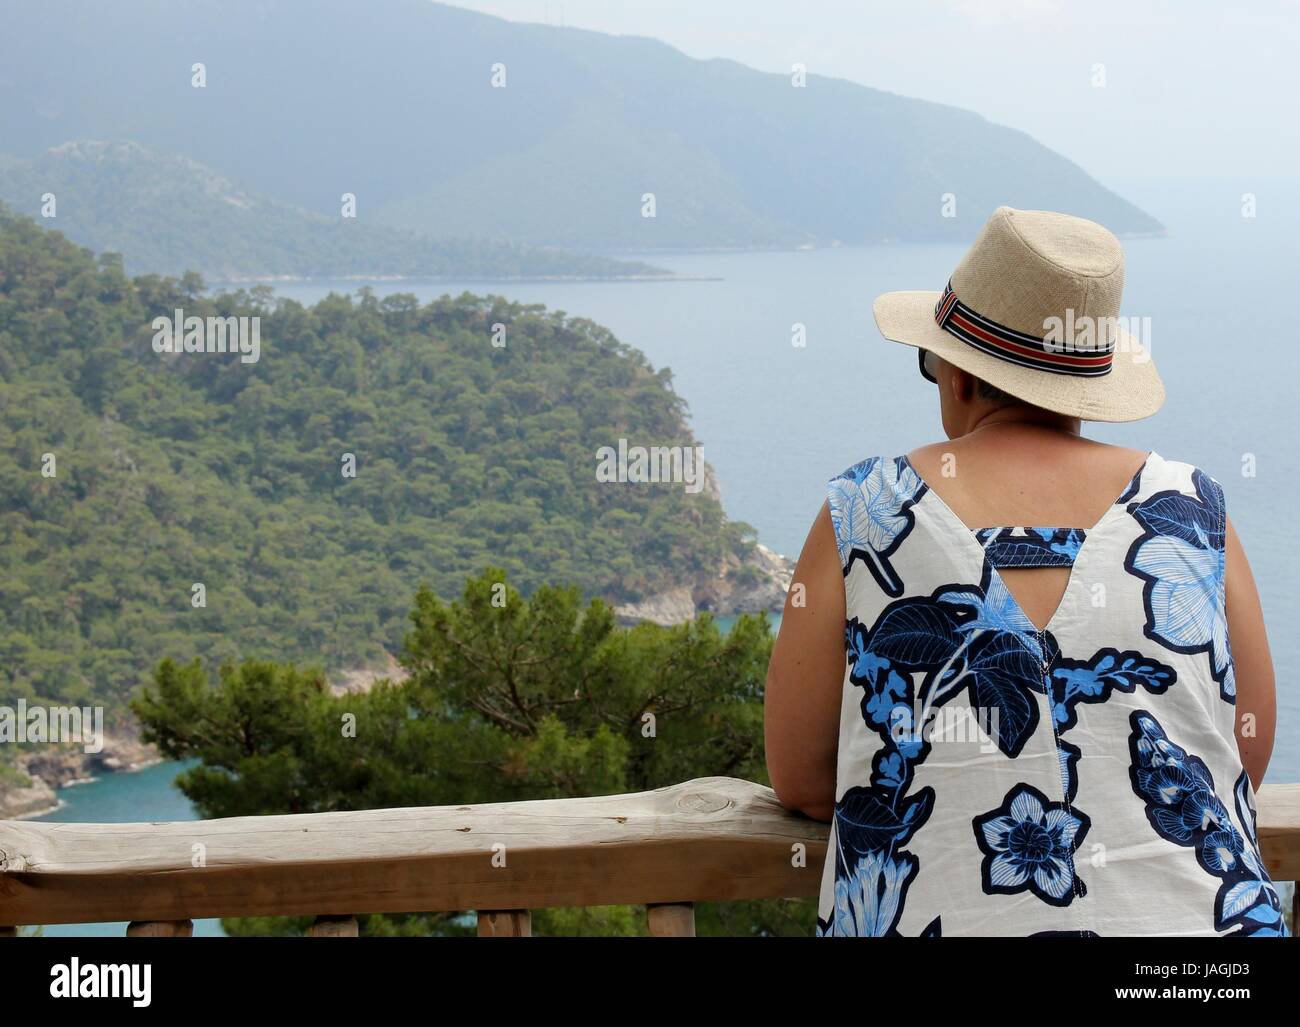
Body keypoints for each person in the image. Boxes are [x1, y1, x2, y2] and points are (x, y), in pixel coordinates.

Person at [764, 206, 1287, 937]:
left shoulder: (864, 511)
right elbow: (1241, 750)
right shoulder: (1192, 509)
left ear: (960, 375)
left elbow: (802, 776)